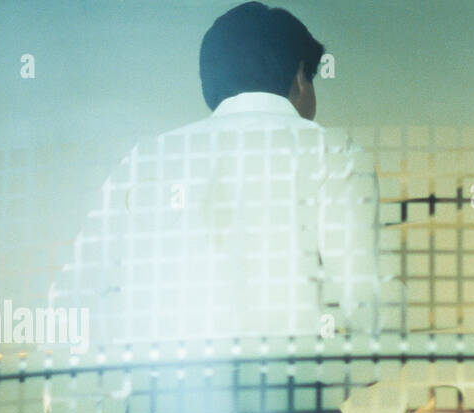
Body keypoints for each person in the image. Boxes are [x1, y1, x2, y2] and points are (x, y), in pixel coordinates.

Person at [49, 1, 381, 357]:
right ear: (300, 77)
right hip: (290, 392)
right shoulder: (334, 154)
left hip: (160, 398)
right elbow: (369, 306)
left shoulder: (145, 160)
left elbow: (74, 297)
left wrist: (98, 406)